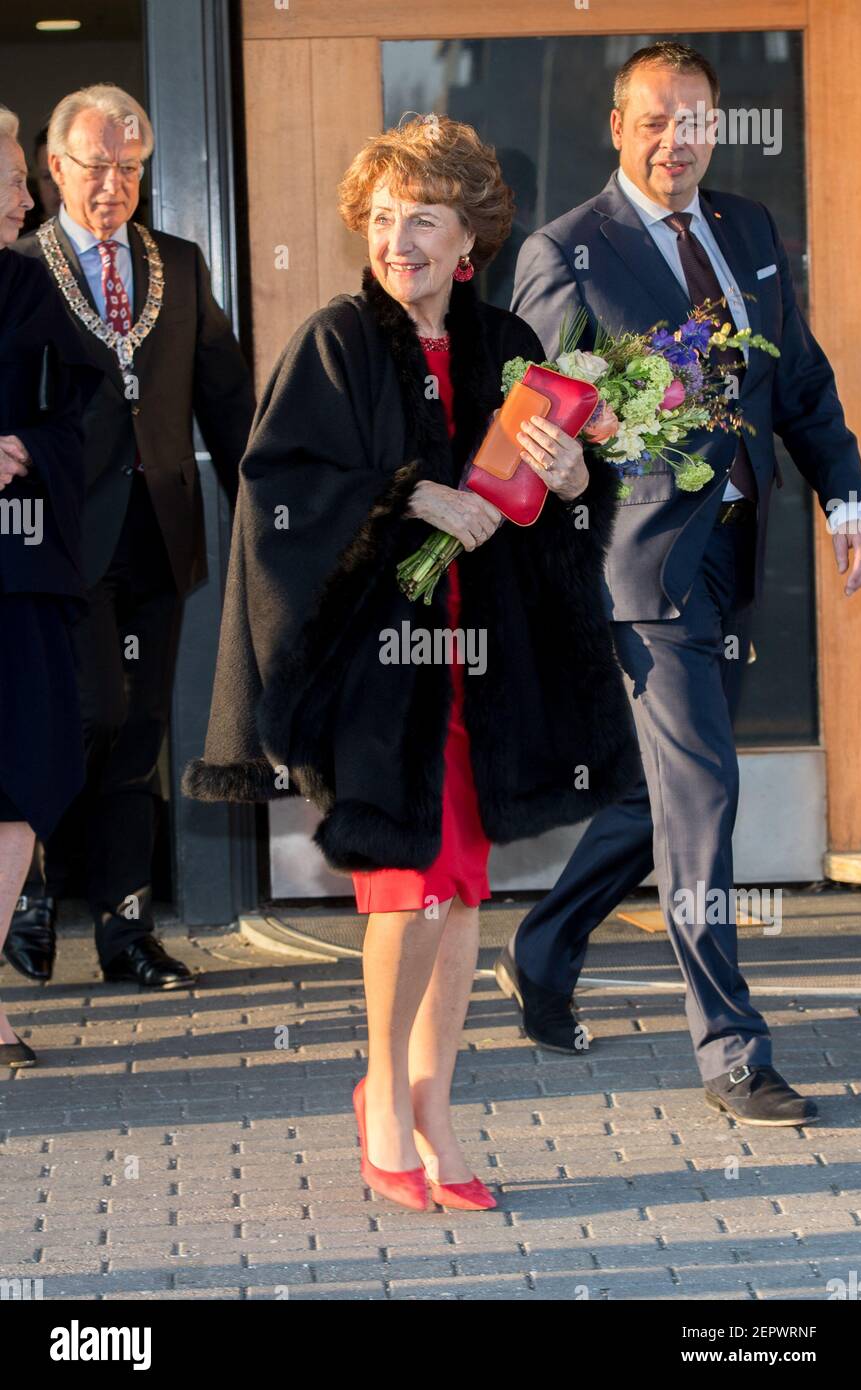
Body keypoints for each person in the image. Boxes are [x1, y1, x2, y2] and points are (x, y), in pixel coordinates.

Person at [184, 115, 640, 1210]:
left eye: (421, 220)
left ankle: (435, 1105)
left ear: (468, 236)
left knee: (461, 896)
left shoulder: (506, 352)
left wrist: (576, 482)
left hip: (479, 677)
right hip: (378, 675)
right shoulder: (335, 341)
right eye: (383, 220)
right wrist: (398, 501)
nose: (399, 241)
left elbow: (558, 523)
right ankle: (382, 1095)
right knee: (403, 893)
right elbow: (275, 498)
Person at [505, 41, 861, 1126]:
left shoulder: (747, 230)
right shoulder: (566, 250)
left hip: (732, 552)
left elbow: (793, 374)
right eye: (655, 121)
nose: (677, 141)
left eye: (695, 120)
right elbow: (532, 411)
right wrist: (580, 439)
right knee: (705, 794)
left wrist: (844, 494)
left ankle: (541, 942)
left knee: (654, 790)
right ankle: (729, 1050)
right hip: (632, 564)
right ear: (615, 126)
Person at [9, 84, 256, 989]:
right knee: (83, 715)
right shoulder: (21, 267)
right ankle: (27, 894)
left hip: (156, 534)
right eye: (95, 166)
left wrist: (269, 515)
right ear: (54, 166)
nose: (113, 184)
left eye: (131, 167)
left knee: (137, 730)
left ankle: (124, 928)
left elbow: (227, 400)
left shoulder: (179, 265)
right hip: (53, 541)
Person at [0, 106, 98, 1066]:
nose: (28, 197)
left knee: (26, 777)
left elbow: (77, 415)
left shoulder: (29, 286)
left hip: (19, 576)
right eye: (12, 181)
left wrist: (26, 446)